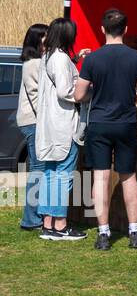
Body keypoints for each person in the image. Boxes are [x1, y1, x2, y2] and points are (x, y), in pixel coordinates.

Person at [75, 9, 137, 250]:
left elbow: (78, 94)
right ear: (126, 30)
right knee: (128, 177)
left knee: (101, 177)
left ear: (102, 29)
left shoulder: (93, 59)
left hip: (99, 123)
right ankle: (135, 232)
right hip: (126, 122)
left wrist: (92, 94)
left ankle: (104, 233)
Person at [35, 17, 87, 241]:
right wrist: (86, 92)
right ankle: (60, 225)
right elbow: (65, 91)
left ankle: (48, 224)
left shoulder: (47, 56)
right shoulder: (60, 58)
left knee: (50, 173)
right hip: (63, 125)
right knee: (62, 175)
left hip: (49, 124)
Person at [16, 23, 48, 232]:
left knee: (40, 169)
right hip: (33, 122)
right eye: (46, 37)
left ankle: (35, 215)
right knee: (38, 169)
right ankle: (30, 219)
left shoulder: (38, 62)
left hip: (33, 121)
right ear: (37, 40)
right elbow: (36, 96)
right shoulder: (33, 63)